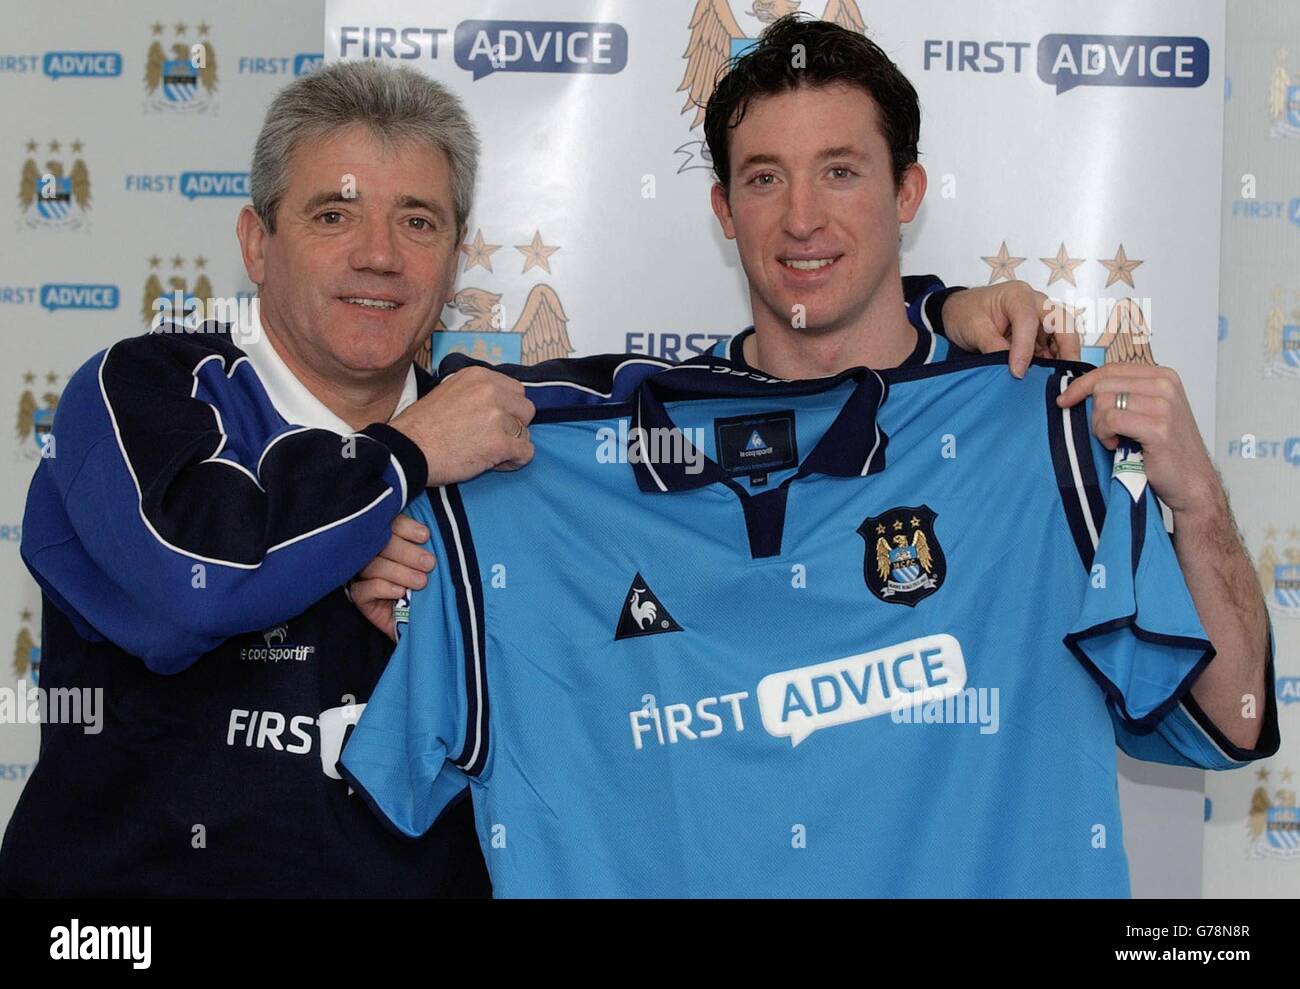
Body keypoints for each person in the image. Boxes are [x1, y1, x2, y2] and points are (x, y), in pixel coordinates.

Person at [0, 58, 1037, 898]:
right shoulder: (145, 391)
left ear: (454, 254)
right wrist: (400, 467)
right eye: (333, 215)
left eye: (418, 219)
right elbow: (196, 574)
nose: (378, 254)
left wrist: (931, 319)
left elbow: (736, 385)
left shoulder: (507, 430)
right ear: (256, 241)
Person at [339, 16, 1278, 897]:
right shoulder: (540, 473)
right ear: (722, 206)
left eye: (840, 172)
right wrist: (410, 535)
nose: (801, 219)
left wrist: (1196, 506)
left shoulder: (1039, 432)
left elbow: (1230, 720)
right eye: (763, 178)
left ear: (907, 191)